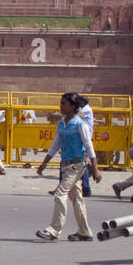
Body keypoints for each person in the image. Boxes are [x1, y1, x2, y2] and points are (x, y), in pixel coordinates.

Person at [34, 93, 101, 241]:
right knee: (76, 198)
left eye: (64, 103)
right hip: (65, 165)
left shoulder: (80, 124)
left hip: (76, 166)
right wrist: (43, 164)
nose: (61, 106)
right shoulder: (61, 124)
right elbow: (55, 145)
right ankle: (84, 232)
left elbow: (88, 146)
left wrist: (95, 169)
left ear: (73, 106)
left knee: (59, 194)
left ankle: (54, 230)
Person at [77, 98, 95, 196]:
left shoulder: (85, 110)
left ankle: (86, 188)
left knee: (82, 165)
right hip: (81, 139)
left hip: (82, 139)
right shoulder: (84, 110)